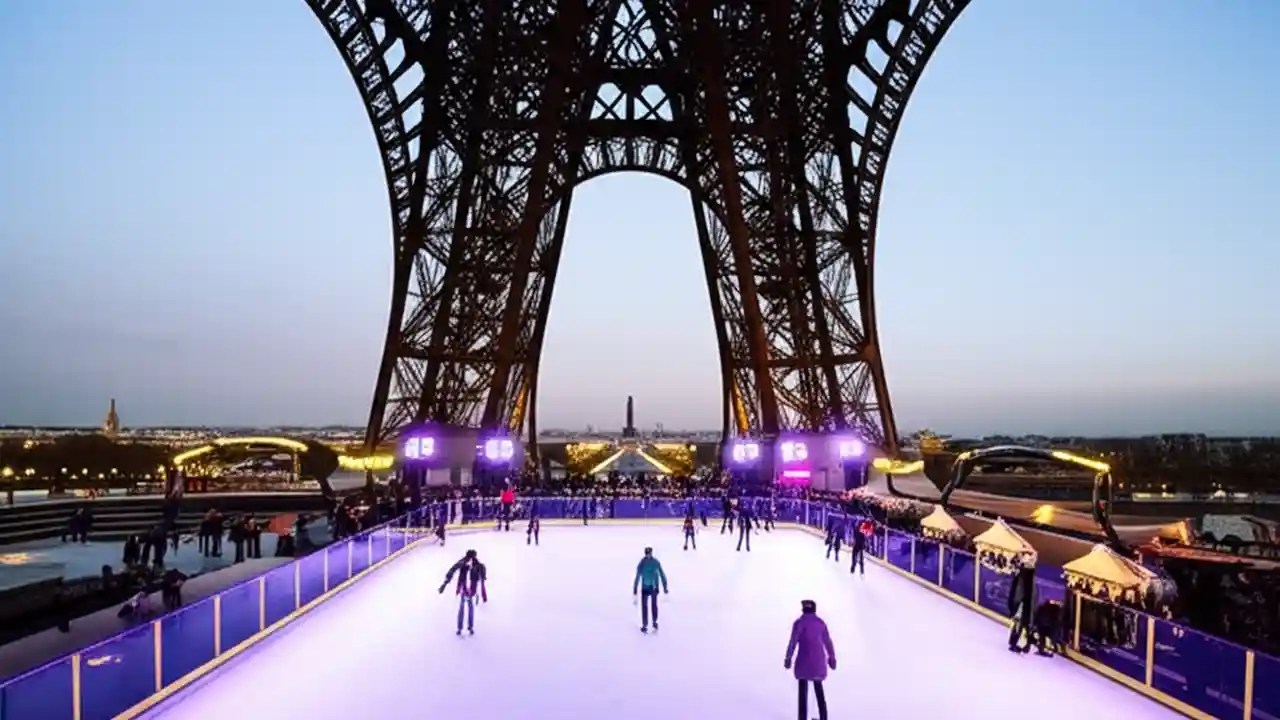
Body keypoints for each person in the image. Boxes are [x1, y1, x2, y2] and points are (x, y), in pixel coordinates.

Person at [784, 599, 836, 720]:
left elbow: (793, 642)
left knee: (802, 692)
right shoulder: (820, 623)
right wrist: (832, 658)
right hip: (818, 664)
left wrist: (788, 658)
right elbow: (828, 642)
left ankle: (802, 717)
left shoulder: (799, 623)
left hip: (802, 663)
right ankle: (823, 717)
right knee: (819, 691)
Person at [439, 550, 487, 635]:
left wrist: (445, 583)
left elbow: (482, 578)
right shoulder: (465, 563)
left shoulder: (477, 565)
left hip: (469, 589)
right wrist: (445, 583)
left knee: (467, 607)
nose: (470, 560)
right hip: (465, 588)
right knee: (465, 607)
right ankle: (463, 628)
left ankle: (467, 627)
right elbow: (452, 570)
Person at [632, 547, 668, 633]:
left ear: (651, 553)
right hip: (645, 588)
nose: (648, 555)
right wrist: (635, 588)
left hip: (653, 587)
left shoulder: (656, 563)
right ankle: (645, 625)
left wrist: (665, 586)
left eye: (649, 553)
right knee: (644, 607)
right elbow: (637, 576)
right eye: (647, 554)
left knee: (654, 605)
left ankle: (654, 622)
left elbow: (662, 574)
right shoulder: (642, 564)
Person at [1007, 562, 1037, 652]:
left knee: (1021, 628)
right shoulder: (1025, 584)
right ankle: (1016, 644)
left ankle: (1019, 644)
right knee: (1019, 628)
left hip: (1023, 612)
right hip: (1022, 613)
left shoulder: (1025, 584)